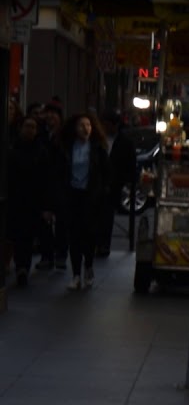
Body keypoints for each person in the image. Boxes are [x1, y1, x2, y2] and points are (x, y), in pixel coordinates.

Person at [49, 112, 110, 291]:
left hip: (91, 196)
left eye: (89, 125)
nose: (86, 129)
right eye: (82, 125)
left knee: (89, 235)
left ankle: (88, 266)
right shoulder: (67, 148)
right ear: (74, 129)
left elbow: (106, 172)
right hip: (72, 194)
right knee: (74, 235)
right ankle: (76, 274)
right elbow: (58, 172)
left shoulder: (97, 148)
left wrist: (103, 191)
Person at [5, 116, 51, 287]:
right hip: (16, 199)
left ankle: (23, 266)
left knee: (28, 235)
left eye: (33, 127)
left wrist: (46, 205)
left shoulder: (41, 151)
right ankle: (21, 266)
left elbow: (46, 179)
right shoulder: (13, 149)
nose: (30, 130)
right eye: (27, 126)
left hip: (34, 200)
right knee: (18, 235)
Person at [97, 111, 137, 257]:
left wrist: (127, 180)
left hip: (114, 183)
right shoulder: (98, 140)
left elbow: (130, 163)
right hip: (97, 182)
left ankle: (104, 245)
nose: (105, 127)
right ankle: (96, 243)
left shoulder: (125, 142)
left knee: (107, 214)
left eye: (107, 125)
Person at [34, 101, 68, 271]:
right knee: (44, 221)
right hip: (44, 181)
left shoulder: (63, 136)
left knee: (61, 221)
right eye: (48, 114)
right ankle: (47, 255)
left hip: (60, 182)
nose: (50, 117)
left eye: (54, 114)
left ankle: (61, 254)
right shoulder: (41, 134)